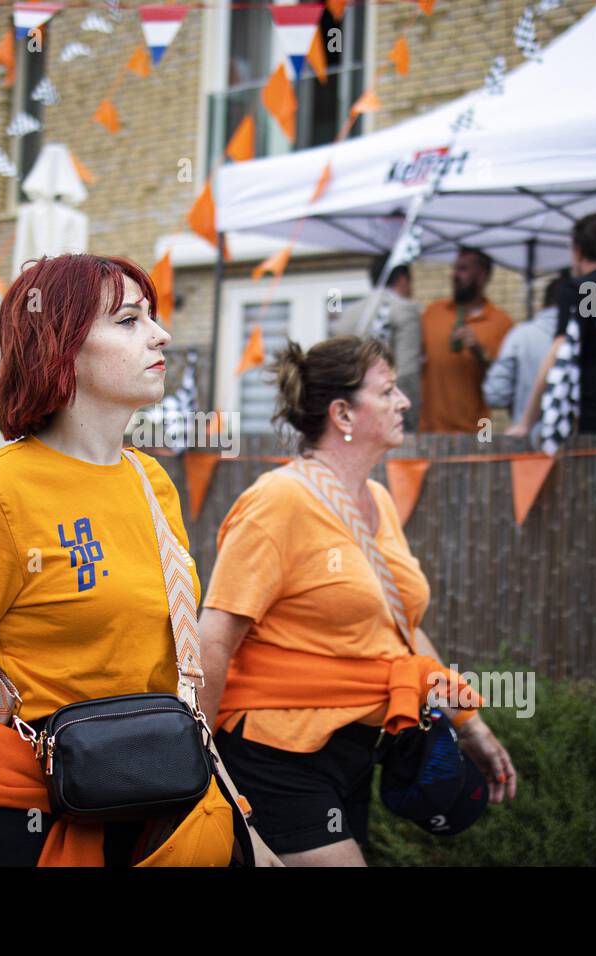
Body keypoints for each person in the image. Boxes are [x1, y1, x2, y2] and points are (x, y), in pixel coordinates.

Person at [0, 254, 240, 868]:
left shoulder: (152, 482)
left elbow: (177, 683)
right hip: (21, 827)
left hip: (150, 815)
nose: (160, 334)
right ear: (61, 347)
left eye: (153, 317)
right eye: (128, 320)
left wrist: (252, 834)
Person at [197, 336, 516, 866]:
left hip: (353, 753)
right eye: (388, 390)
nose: (405, 402)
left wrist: (467, 721)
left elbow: (404, 632)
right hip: (275, 753)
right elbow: (213, 638)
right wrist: (203, 768)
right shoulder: (278, 501)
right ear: (342, 411)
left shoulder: (380, 501)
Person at [510, 214, 596, 438]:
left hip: (587, 423)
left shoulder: (577, 289)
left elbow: (559, 351)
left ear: (578, 251)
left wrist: (526, 421)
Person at [418, 247, 514, 432]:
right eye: (455, 268)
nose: (454, 274)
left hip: (478, 431)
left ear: (482, 275)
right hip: (430, 431)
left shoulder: (501, 322)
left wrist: (480, 352)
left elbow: (505, 383)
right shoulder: (433, 312)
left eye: (463, 269)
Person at [331, 256, 422, 431]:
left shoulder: (348, 314)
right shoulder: (405, 310)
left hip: (351, 414)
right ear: (403, 279)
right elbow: (408, 372)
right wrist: (410, 419)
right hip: (388, 417)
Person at [483, 272, 568, 440]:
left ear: (544, 303)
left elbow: (495, 394)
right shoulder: (586, 338)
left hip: (527, 441)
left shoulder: (520, 336)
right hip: (576, 442)